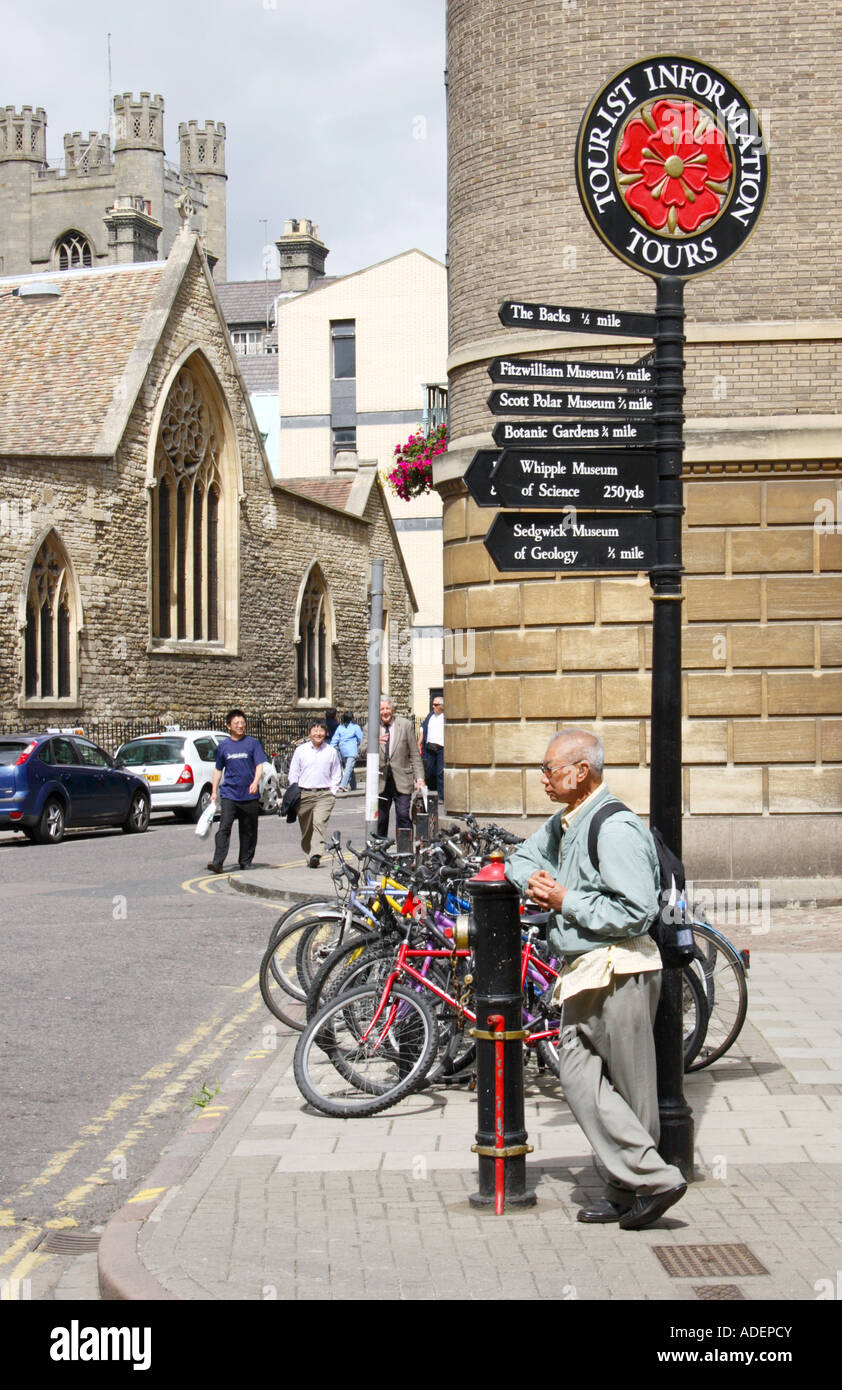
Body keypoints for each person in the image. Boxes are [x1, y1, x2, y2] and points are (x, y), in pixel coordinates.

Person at [505, 727, 687, 1231]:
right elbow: (521, 859)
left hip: (621, 971)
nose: (542, 777)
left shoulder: (615, 827)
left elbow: (635, 909)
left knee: (632, 1094)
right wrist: (534, 881)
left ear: (580, 772)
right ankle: (645, 1180)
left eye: (549, 768)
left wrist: (566, 901)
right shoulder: (567, 821)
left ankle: (634, 1189)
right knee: (579, 1079)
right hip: (585, 973)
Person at [207, 709, 267, 873]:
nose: (240, 726)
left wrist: (255, 782)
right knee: (224, 828)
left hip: (249, 794)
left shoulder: (253, 743)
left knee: (248, 830)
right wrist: (214, 791)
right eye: (236, 723)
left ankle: (245, 861)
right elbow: (218, 770)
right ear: (228, 726)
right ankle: (217, 862)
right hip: (229, 794)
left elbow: (259, 766)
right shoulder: (223, 746)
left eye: (242, 723)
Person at [361, 695, 425, 839]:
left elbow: (414, 754)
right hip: (380, 782)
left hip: (402, 780)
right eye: (382, 709)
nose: (385, 712)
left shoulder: (406, 725)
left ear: (393, 709)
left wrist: (420, 778)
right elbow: (362, 751)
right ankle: (381, 856)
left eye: (387, 708)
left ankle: (405, 853)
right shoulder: (370, 727)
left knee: (403, 815)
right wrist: (374, 742)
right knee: (381, 820)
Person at [286, 719, 341, 867]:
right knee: (306, 829)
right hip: (304, 794)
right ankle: (309, 855)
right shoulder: (301, 750)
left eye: (321, 730)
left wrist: (333, 791)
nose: (318, 733)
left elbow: (336, 773)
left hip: (324, 795)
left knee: (319, 823)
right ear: (310, 732)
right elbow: (294, 772)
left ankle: (316, 854)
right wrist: (294, 790)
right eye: (315, 730)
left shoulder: (331, 751)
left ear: (326, 733)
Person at [418, 695, 445, 804]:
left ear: (442, 706)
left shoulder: (445, 717)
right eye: (433, 704)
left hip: (441, 748)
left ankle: (440, 796)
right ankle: (429, 793)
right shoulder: (430, 716)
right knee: (428, 771)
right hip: (430, 748)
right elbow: (423, 728)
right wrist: (419, 742)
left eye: (436, 704)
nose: (433, 706)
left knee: (440, 772)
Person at [331, 710, 364, 793]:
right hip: (352, 751)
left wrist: (331, 748)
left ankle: (353, 786)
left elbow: (334, 740)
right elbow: (362, 739)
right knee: (349, 768)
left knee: (349, 768)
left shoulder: (340, 727)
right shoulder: (356, 727)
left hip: (343, 751)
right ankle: (343, 785)